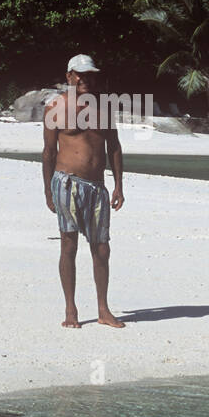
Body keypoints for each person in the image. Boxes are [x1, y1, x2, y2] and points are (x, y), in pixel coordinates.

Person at [42, 54, 126, 329]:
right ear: (68, 76)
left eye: (89, 74)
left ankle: (103, 310)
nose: (84, 79)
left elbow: (113, 146)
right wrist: (48, 191)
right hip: (67, 182)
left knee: (101, 248)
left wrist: (119, 186)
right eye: (79, 74)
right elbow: (48, 152)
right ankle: (71, 310)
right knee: (69, 244)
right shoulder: (55, 107)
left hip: (97, 187)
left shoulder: (105, 108)